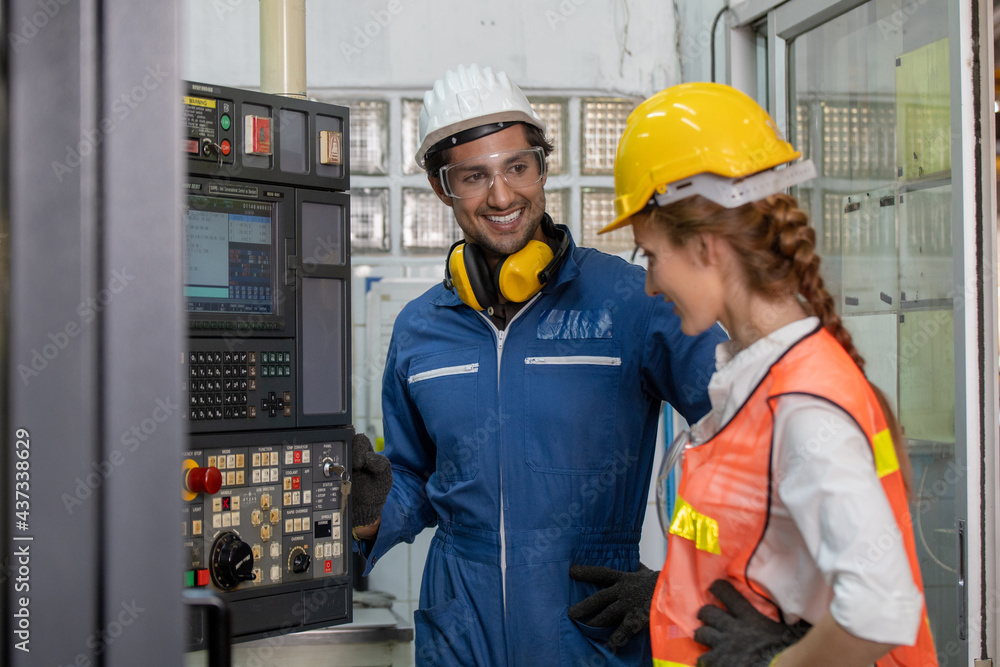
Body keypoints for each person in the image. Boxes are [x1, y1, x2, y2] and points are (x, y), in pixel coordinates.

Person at [349, 64, 726, 666]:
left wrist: (686, 582)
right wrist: (367, 510)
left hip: (589, 630)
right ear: (442, 188)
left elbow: (755, 438)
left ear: (542, 168)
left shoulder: (634, 301)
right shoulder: (420, 328)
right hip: (459, 632)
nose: (502, 196)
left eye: (517, 167)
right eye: (474, 176)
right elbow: (417, 476)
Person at [600, 81, 939, 667]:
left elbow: (882, 607)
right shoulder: (769, 383)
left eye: (651, 256)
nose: (651, 283)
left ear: (706, 247)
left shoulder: (802, 404)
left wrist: (778, 662)